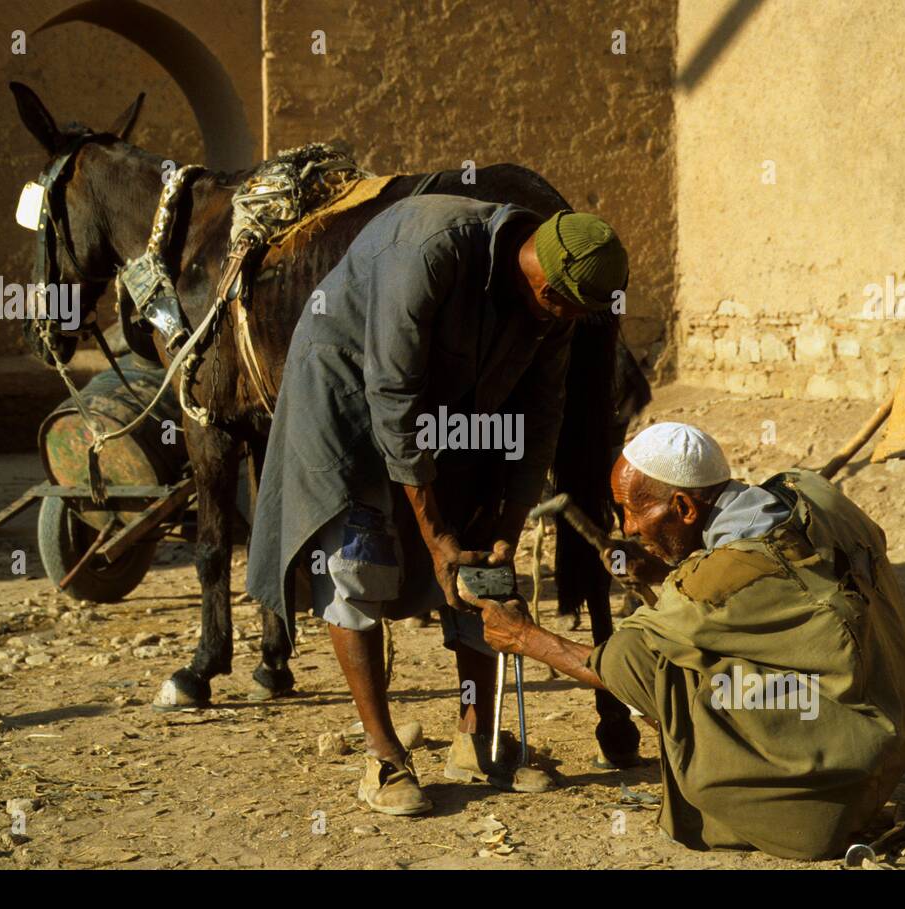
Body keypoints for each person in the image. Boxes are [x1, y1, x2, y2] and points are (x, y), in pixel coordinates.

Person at [246, 194, 629, 815]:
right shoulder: (429, 250)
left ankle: (474, 739)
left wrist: (506, 524)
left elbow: (542, 415)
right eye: (554, 305)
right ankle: (384, 758)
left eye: (568, 316)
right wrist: (432, 536)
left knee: (479, 561)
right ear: (542, 273)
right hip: (348, 394)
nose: (555, 321)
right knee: (358, 559)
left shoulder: (556, 313)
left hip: (453, 409)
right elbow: (392, 395)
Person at [469, 422, 905, 859]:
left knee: (636, 656)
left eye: (633, 509)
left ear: (684, 508)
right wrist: (653, 573)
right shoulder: (808, 494)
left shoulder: (711, 585)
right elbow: (759, 606)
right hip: (885, 748)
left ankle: (748, 797)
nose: (627, 527)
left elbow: (615, 662)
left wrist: (524, 637)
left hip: (826, 801)